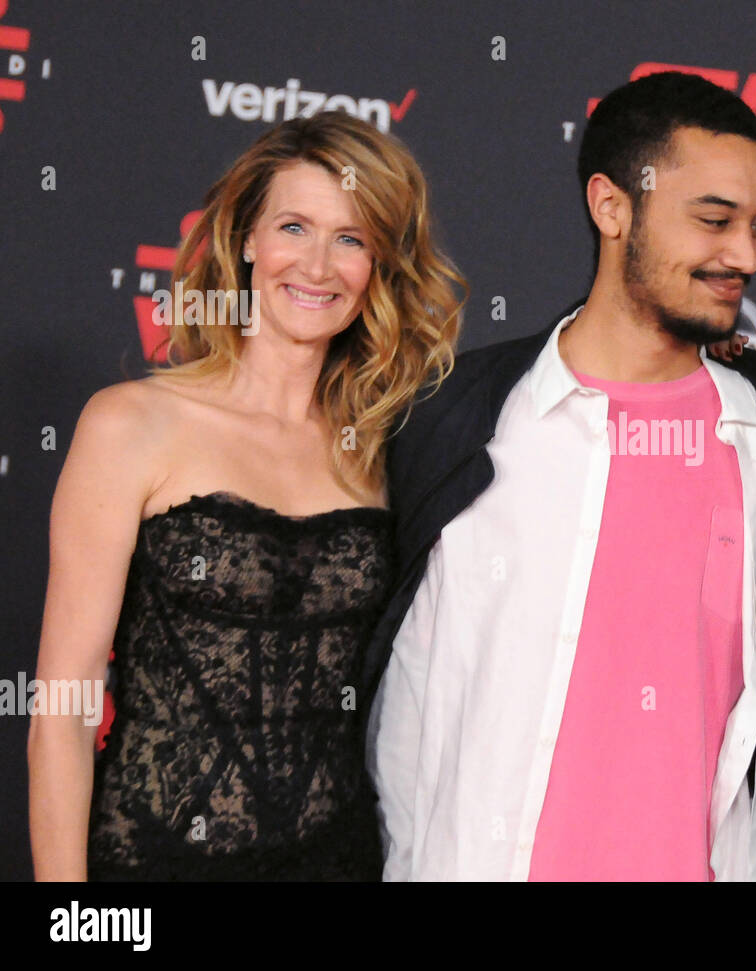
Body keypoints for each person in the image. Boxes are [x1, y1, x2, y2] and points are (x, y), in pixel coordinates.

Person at [365, 70, 756, 881]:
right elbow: (386, 689)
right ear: (611, 206)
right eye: (714, 221)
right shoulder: (461, 416)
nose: (746, 255)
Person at [27, 111, 465, 881]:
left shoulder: (384, 444)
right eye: (294, 226)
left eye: (352, 238)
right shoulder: (133, 423)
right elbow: (61, 711)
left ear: (379, 266)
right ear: (246, 242)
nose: (319, 265)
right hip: (154, 866)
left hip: (340, 862)